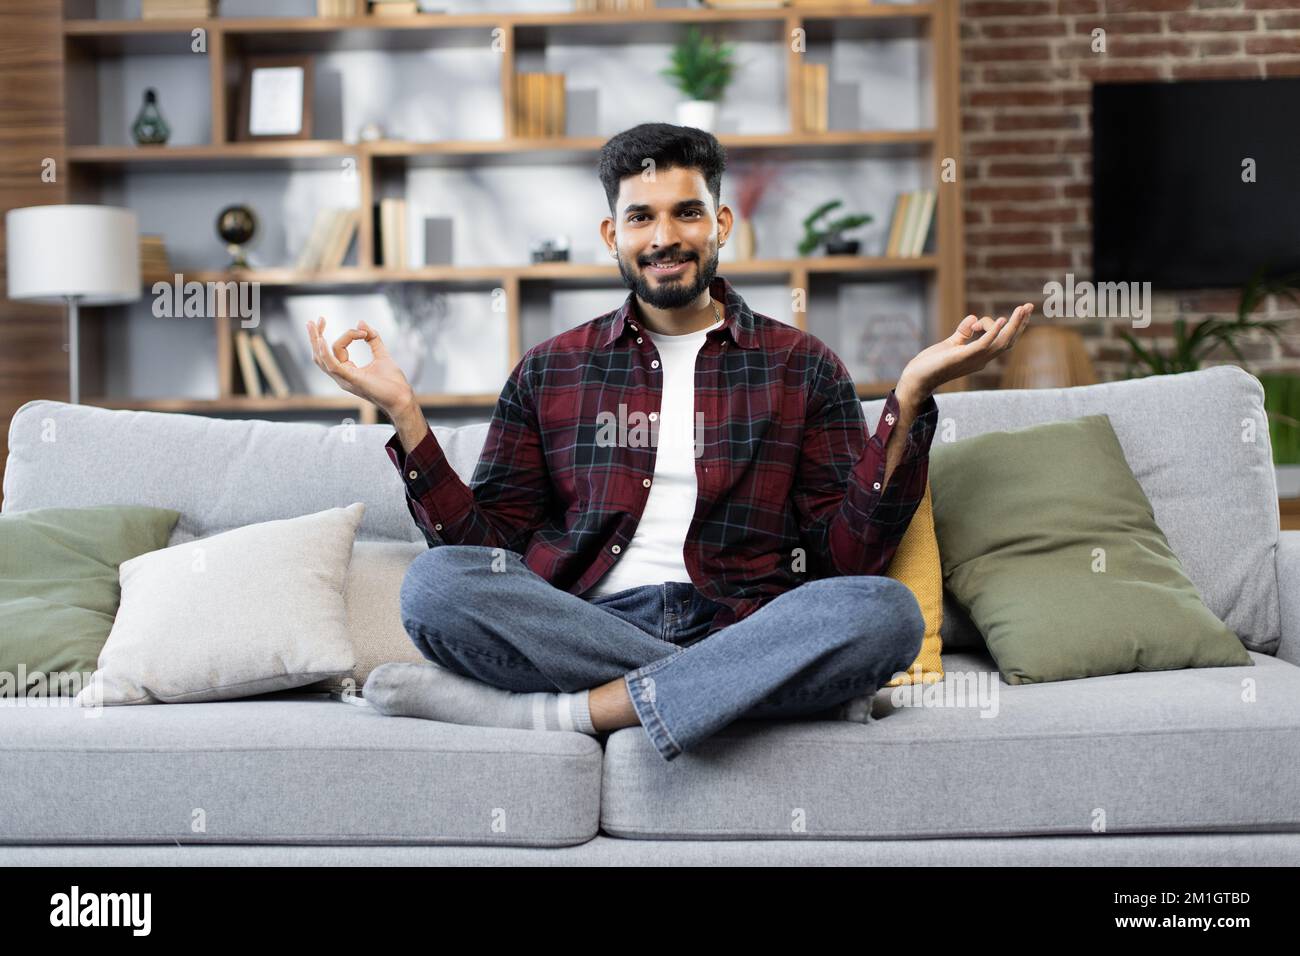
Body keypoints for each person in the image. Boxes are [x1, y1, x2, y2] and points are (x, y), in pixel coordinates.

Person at [306, 123, 1031, 762]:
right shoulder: (551, 368)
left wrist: (907, 401)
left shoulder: (801, 365)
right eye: (641, 217)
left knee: (883, 614)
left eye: (686, 213)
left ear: (720, 223)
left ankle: (580, 712)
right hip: (587, 622)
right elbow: (488, 548)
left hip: (745, 619)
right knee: (436, 588)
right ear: (611, 235)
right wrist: (406, 417)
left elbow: (848, 559)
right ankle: (750, 692)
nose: (664, 239)